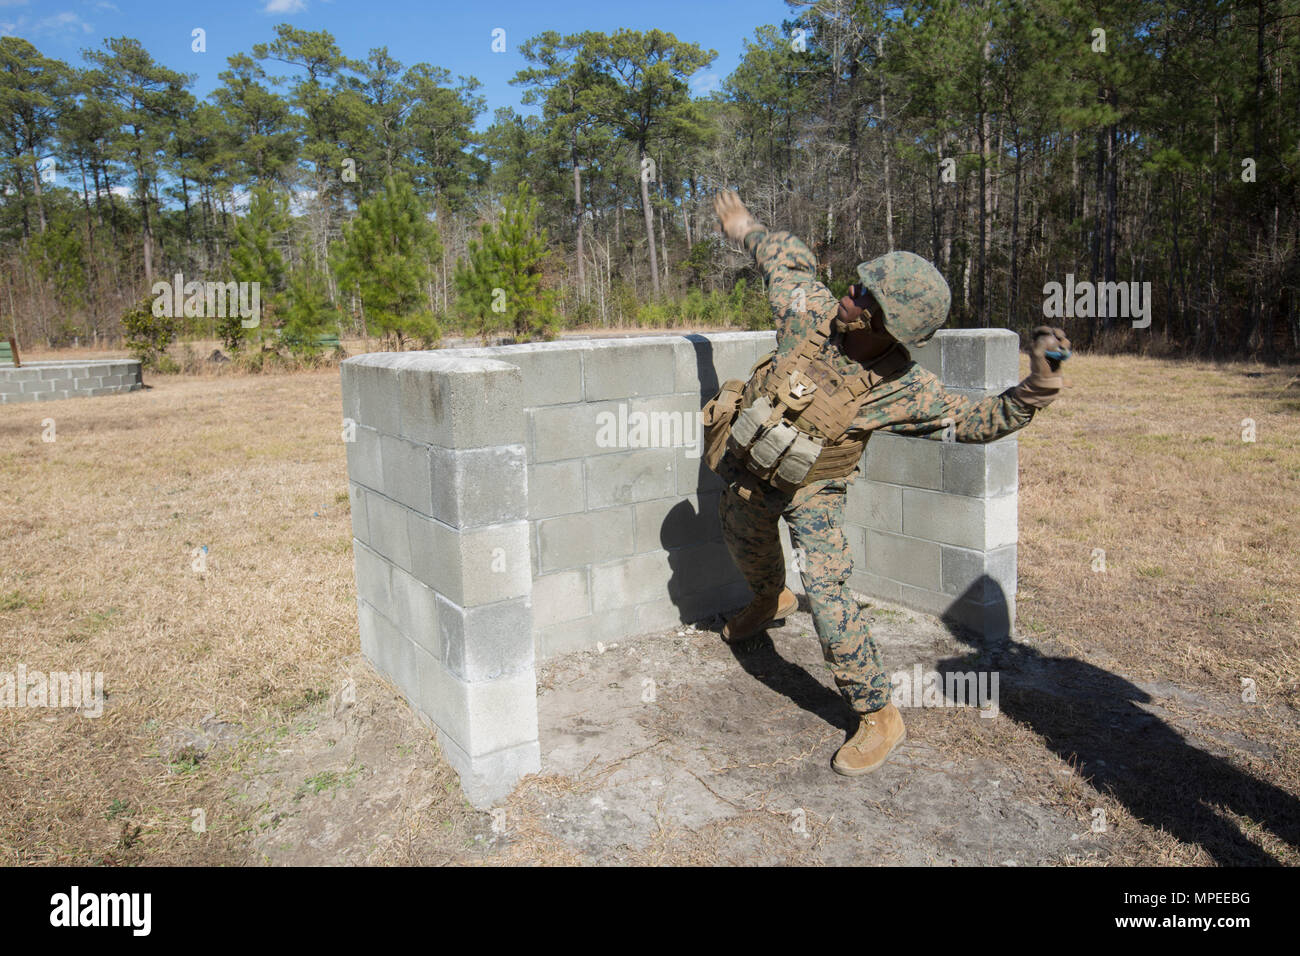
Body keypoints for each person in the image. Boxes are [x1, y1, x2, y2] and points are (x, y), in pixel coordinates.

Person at [704, 190, 1070, 776]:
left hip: (815, 491)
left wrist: (1037, 389)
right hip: (755, 473)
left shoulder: (902, 389)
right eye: (854, 286)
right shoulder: (808, 313)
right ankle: (769, 598)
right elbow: (786, 257)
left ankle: (878, 713)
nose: (847, 294)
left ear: (884, 321)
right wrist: (744, 225)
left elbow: (973, 421)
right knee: (739, 527)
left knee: (829, 597)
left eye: (861, 295)